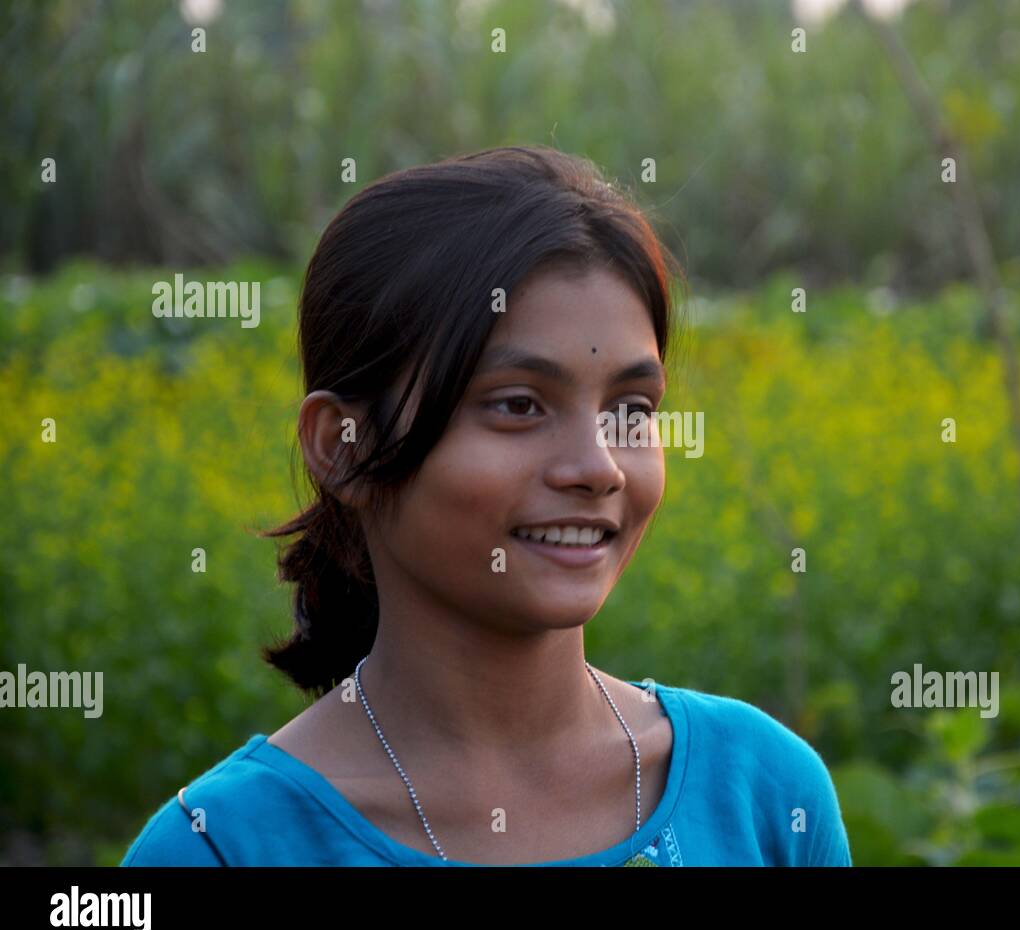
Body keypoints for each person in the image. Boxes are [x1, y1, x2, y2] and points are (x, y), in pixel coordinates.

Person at [121, 145, 852, 867]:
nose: (598, 468)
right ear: (341, 446)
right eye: (519, 405)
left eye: (632, 409)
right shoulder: (221, 848)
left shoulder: (765, 797)